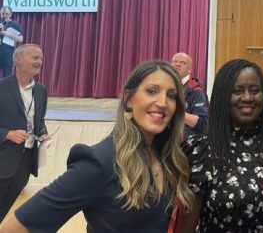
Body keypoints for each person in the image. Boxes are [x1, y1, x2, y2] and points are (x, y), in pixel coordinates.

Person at [0, 60, 194, 232]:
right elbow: (15, 228)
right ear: (128, 100)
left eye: (171, 96)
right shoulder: (100, 161)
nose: (162, 102)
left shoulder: (170, 158)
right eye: (151, 91)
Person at [179, 59, 263, 232]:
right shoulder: (202, 150)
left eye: (255, 90)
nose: (248, 97)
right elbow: (186, 226)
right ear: (222, 96)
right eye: (237, 91)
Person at [0, 44, 48, 222]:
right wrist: (7, 134)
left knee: (11, 211)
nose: (39, 61)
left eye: (41, 58)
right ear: (18, 60)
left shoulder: (41, 90)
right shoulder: (2, 88)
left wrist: (43, 133)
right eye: (34, 57)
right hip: (3, 160)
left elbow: (39, 120)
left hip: (25, 163)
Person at [171, 52, 209, 138]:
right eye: (175, 62)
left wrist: (176, 112)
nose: (178, 64)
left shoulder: (196, 91)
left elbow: (203, 124)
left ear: (189, 69)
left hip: (187, 145)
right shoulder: (165, 87)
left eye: (183, 63)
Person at [0, 6, 24, 78]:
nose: (4, 16)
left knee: (7, 74)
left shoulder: (15, 25)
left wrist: (8, 35)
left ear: (10, 14)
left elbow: (20, 39)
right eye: (2, 14)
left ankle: (5, 89)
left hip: (7, 53)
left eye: (6, 14)